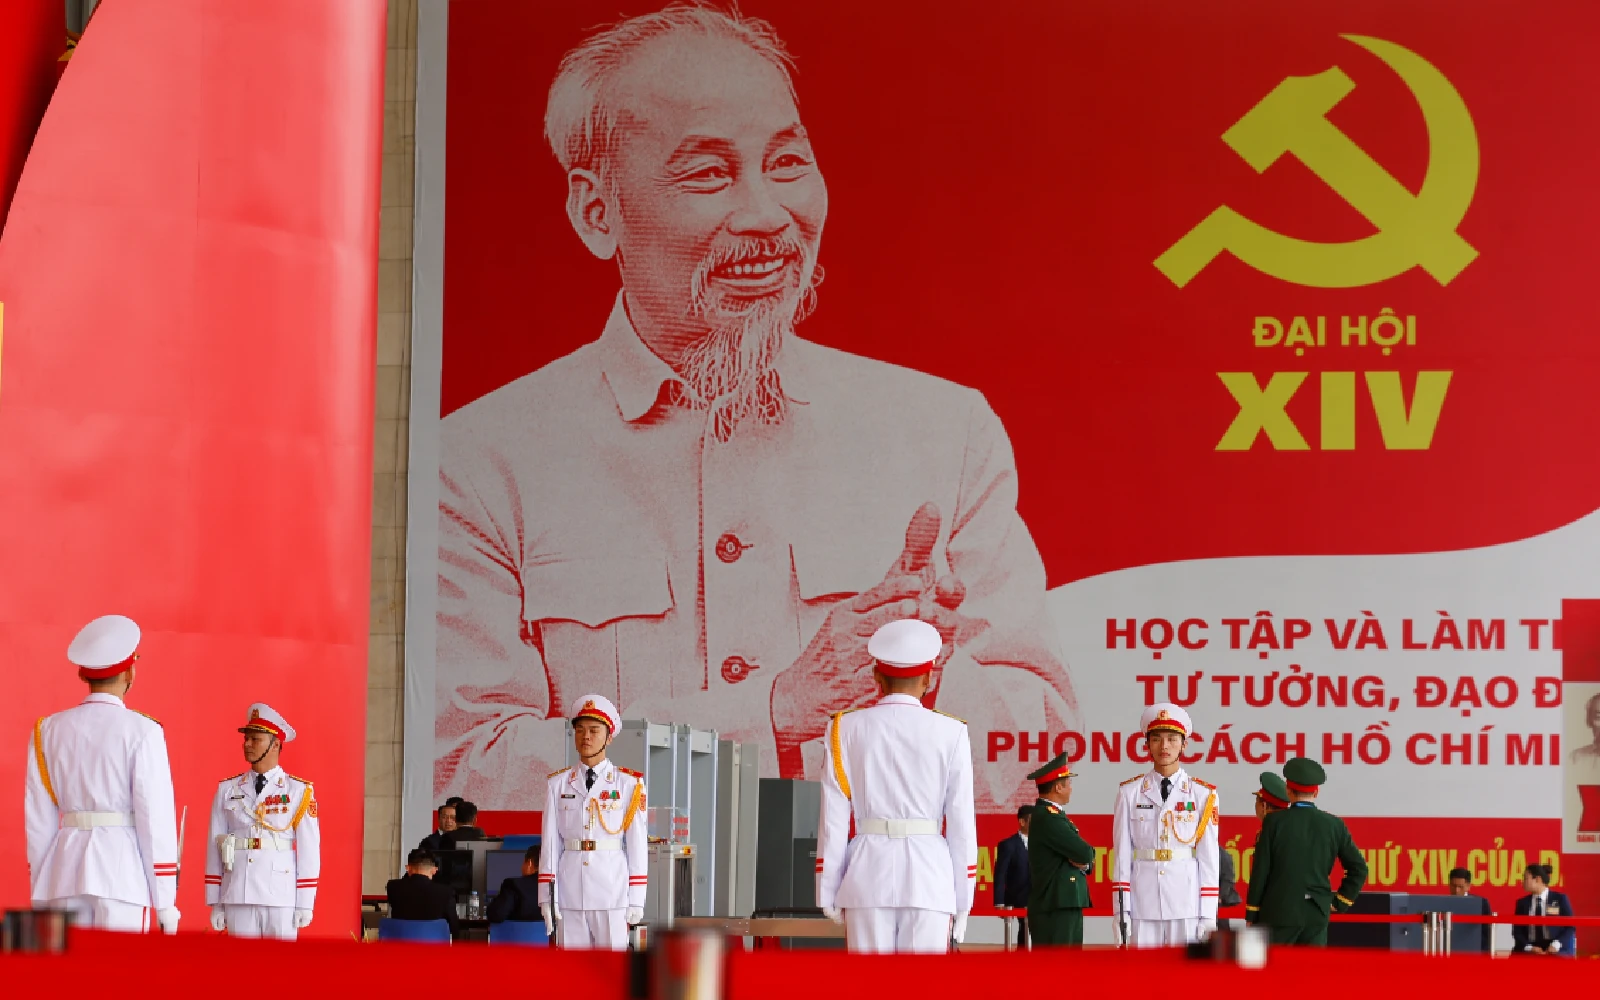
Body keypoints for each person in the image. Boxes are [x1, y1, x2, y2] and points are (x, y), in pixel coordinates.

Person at [435, 1, 1074, 813]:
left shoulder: (943, 434)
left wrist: (923, 676)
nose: (769, 217)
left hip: (860, 910)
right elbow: (463, 770)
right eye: (707, 174)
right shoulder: (482, 463)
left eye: (786, 163)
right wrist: (767, 718)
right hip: (616, 918)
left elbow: (1041, 754)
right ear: (597, 211)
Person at [816, 619, 978, 954]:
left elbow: (832, 819)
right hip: (929, 877)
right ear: (929, 677)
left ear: (876, 676)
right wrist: (964, 897)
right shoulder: (951, 732)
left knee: (867, 988)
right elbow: (961, 823)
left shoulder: (844, 728)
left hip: (866, 874)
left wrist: (827, 888)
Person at [24, 615, 181, 933]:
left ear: (84, 673)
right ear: (129, 672)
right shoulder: (144, 731)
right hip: (123, 876)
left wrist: (41, 890)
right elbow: (155, 818)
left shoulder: (48, 730)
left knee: (68, 979)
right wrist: (165, 900)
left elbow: (38, 821)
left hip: (63, 872)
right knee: (121, 977)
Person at [537, 694, 648, 950]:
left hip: (612, 891)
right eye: (580, 730)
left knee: (611, 972)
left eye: (594, 730)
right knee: (573, 975)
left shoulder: (628, 784)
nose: (585, 737)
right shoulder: (558, 784)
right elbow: (551, 844)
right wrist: (546, 896)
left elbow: (637, 845)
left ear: (609, 737)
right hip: (569, 891)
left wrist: (636, 899)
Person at [203, 704, 321, 939]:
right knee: (242, 970)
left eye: (255, 739)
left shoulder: (298, 790)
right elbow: (215, 845)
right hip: (238, 891)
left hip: (280, 894)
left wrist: (305, 901)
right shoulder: (227, 789)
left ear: (275, 743)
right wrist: (214, 900)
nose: (247, 744)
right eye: (246, 739)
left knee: (280, 970)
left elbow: (309, 849)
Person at [1110, 703, 1220, 946]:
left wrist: (1208, 915)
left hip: (1186, 903)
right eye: (1157, 739)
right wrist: (1121, 911)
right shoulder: (1130, 793)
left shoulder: (1202, 794)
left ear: (1184, 744)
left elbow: (1209, 860)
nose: (1165, 746)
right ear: (1147, 745)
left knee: (1186, 979)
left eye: (1172, 738)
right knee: (1143, 977)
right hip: (1143, 903)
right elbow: (1121, 856)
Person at [1245, 757, 1367, 946]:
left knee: (1276, 973)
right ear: (1316, 792)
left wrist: (1252, 912)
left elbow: (1261, 872)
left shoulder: (1274, 823)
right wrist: (1340, 901)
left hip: (1279, 913)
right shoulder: (1335, 825)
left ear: (1288, 790)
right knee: (1311, 973)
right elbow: (1359, 868)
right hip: (1316, 913)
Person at [1025, 753, 1094, 946]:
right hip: (1056, 904)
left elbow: (1083, 857)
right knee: (1058, 969)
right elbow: (1085, 853)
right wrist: (1085, 859)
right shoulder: (1048, 817)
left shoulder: (1051, 815)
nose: (1071, 789)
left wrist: (1084, 862)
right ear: (1058, 787)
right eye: (1068, 784)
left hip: (1061, 903)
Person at [387, 849, 461, 938]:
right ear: (434, 870)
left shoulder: (393, 887)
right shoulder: (446, 891)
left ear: (408, 868)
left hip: (400, 947)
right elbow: (454, 926)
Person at [1511, 864, 1576, 957]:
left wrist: (1556, 945)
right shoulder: (1522, 903)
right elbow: (1517, 931)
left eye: (1525, 878)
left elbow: (1570, 926)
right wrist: (1529, 947)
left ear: (1537, 879)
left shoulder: (1560, 899)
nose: (1522, 882)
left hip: (1555, 947)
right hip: (1530, 947)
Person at [992, 805, 1032, 947]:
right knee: (1025, 930)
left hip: (1038, 898)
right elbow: (1000, 875)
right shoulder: (1008, 845)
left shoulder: (1043, 845)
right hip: (1017, 898)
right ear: (1022, 822)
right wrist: (999, 902)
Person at [487, 844, 543, 923]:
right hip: (548, 935)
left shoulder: (513, 885)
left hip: (513, 935)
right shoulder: (557, 889)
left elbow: (495, 915)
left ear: (529, 863)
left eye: (524, 862)